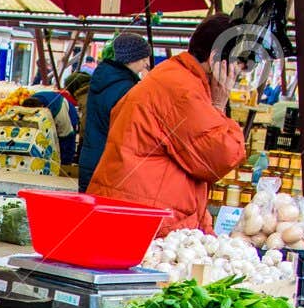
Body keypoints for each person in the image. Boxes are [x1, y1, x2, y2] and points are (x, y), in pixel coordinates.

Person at [87, 13, 247, 231]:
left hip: (137, 211)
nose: (238, 76)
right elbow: (220, 156)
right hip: (145, 220)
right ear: (215, 60)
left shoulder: (174, 76)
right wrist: (219, 106)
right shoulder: (185, 91)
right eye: (238, 66)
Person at [78, 31, 152, 191]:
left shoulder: (103, 78)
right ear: (134, 58)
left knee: (88, 212)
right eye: (145, 57)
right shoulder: (127, 89)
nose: (147, 62)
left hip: (90, 159)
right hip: (110, 165)